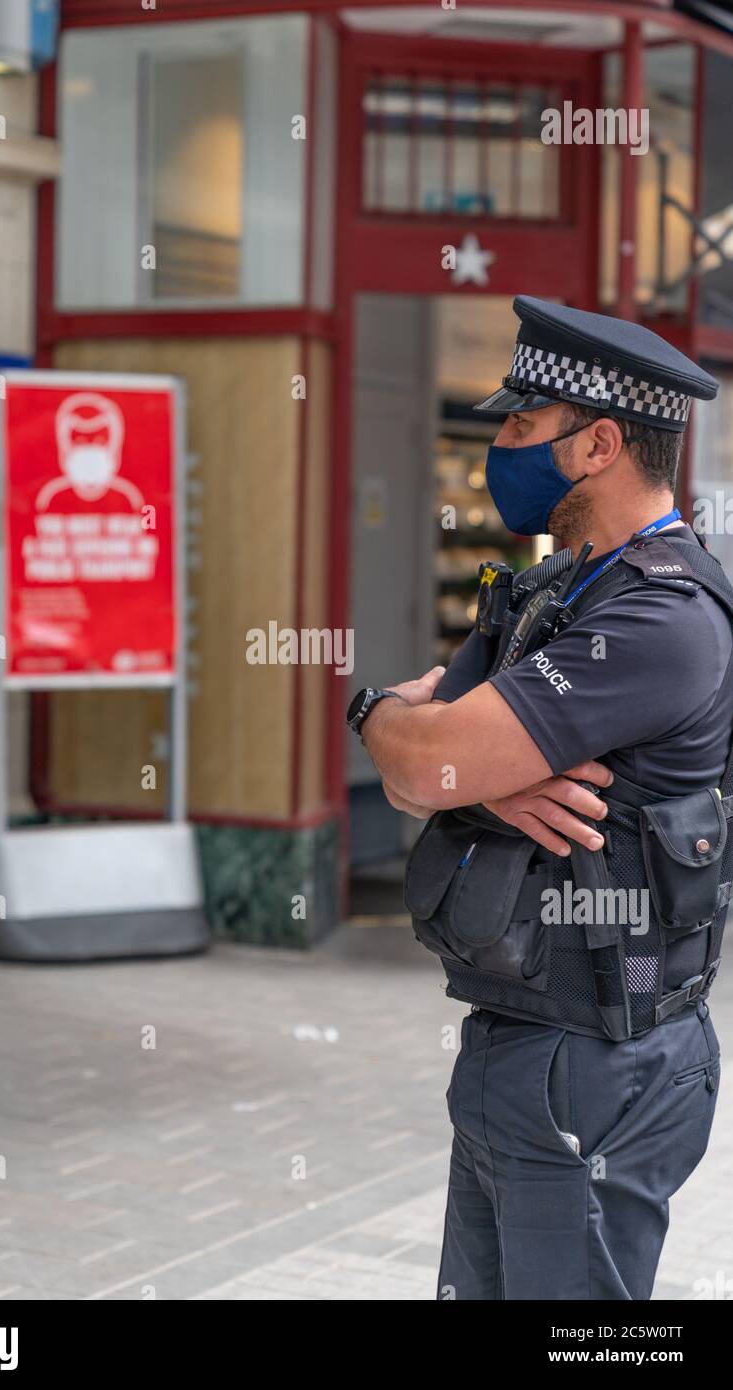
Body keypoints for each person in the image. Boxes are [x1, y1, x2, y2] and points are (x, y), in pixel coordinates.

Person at [346, 296, 731, 1300]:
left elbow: (427, 765)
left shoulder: (660, 615)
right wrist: (398, 729)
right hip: (513, 1043)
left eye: (520, 423)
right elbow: (410, 755)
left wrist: (442, 765)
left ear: (595, 443)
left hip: (598, 1061)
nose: (497, 442)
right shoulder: (545, 592)